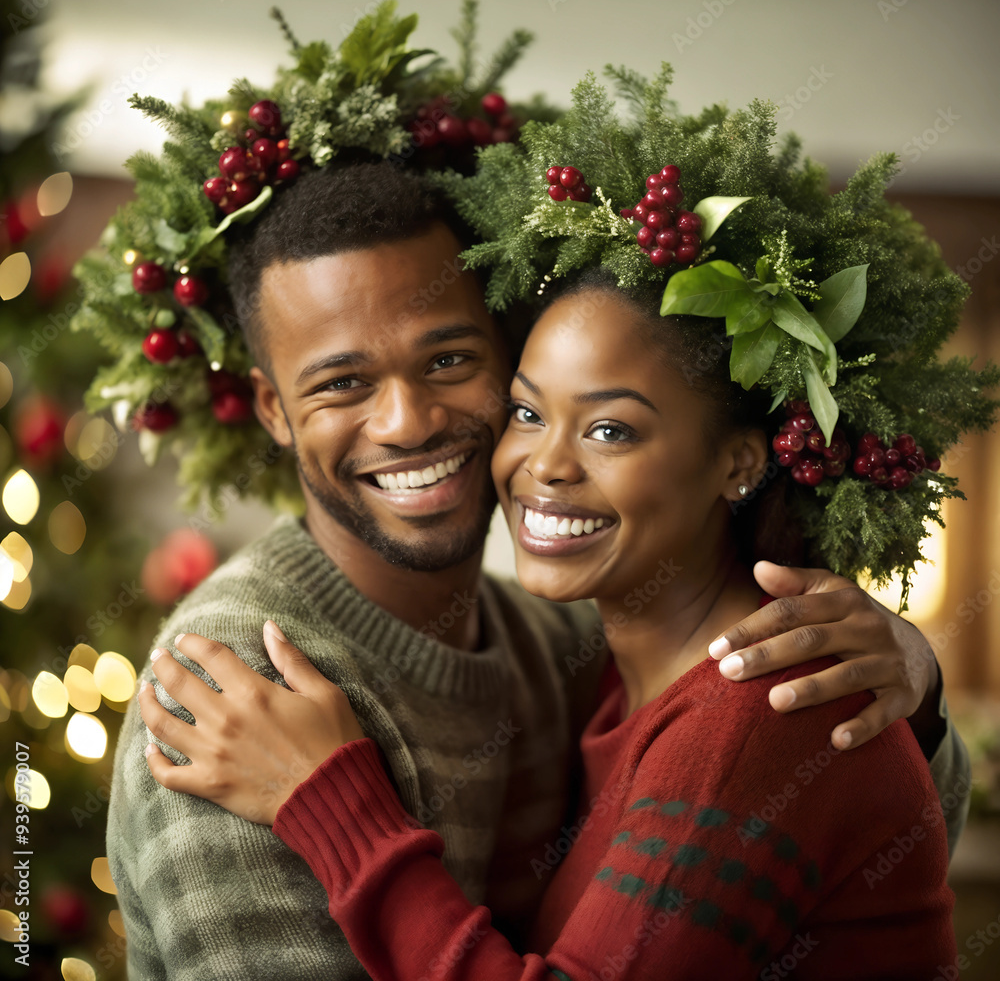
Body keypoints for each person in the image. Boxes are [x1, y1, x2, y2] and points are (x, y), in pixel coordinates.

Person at [135, 61, 998, 976]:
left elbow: (852, 833)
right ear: (271, 408)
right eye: (343, 383)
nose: (408, 422)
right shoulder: (230, 699)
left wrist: (908, 682)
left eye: (448, 361)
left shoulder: (568, 655)